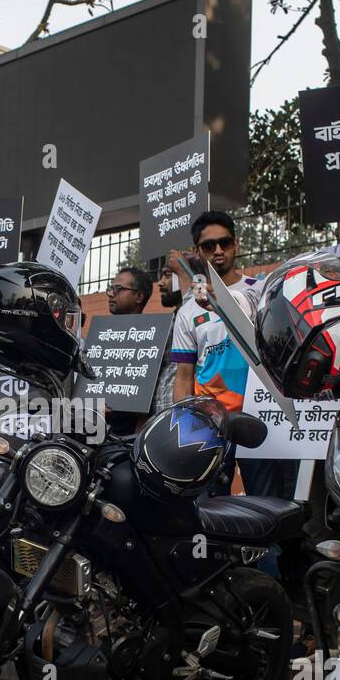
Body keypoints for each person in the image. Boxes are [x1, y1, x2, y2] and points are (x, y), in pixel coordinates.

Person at [168, 211, 285, 497]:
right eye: (209, 245)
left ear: (236, 245)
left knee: (267, 504)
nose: (218, 250)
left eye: (225, 242)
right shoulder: (188, 310)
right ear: (197, 252)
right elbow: (184, 376)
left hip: (262, 418)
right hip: (211, 423)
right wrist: (186, 428)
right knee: (208, 508)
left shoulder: (262, 291)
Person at [100, 266, 164, 434]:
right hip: (93, 428)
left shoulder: (152, 338)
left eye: (118, 289)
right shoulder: (101, 336)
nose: (110, 294)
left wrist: (139, 433)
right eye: (110, 288)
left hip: (129, 436)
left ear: (139, 296)